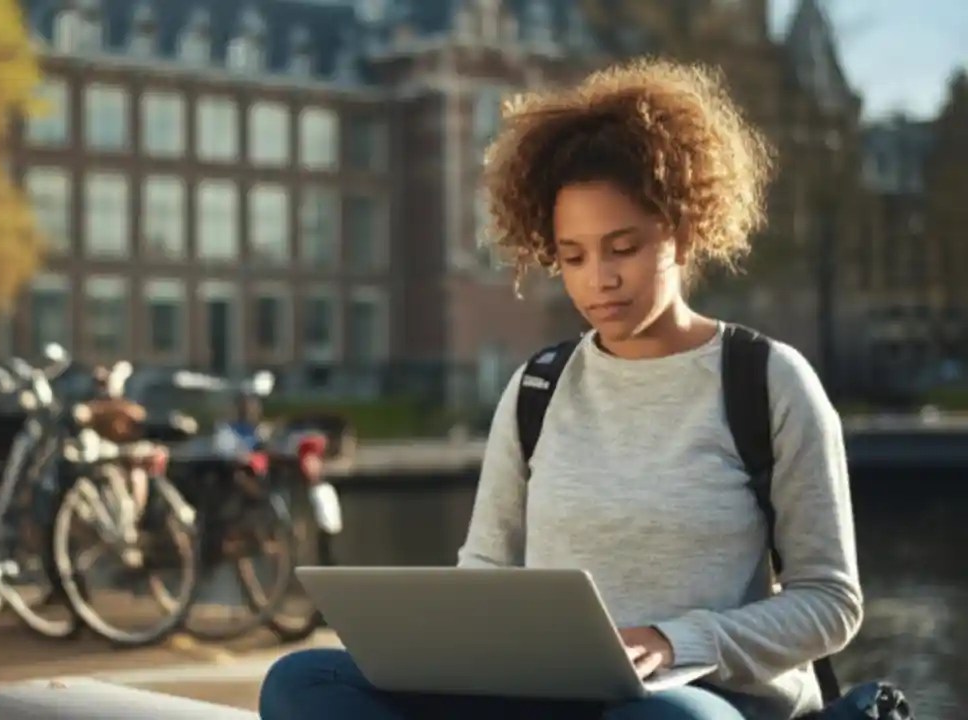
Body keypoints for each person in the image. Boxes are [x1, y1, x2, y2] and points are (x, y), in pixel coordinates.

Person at [258, 59, 862, 720]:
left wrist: (677, 641)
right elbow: (485, 571)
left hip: (700, 699)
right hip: (550, 695)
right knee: (303, 681)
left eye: (622, 248)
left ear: (684, 231)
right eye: (573, 256)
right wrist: (435, 646)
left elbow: (830, 602)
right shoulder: (539, 387)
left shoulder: (767, 381)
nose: (598, 279)